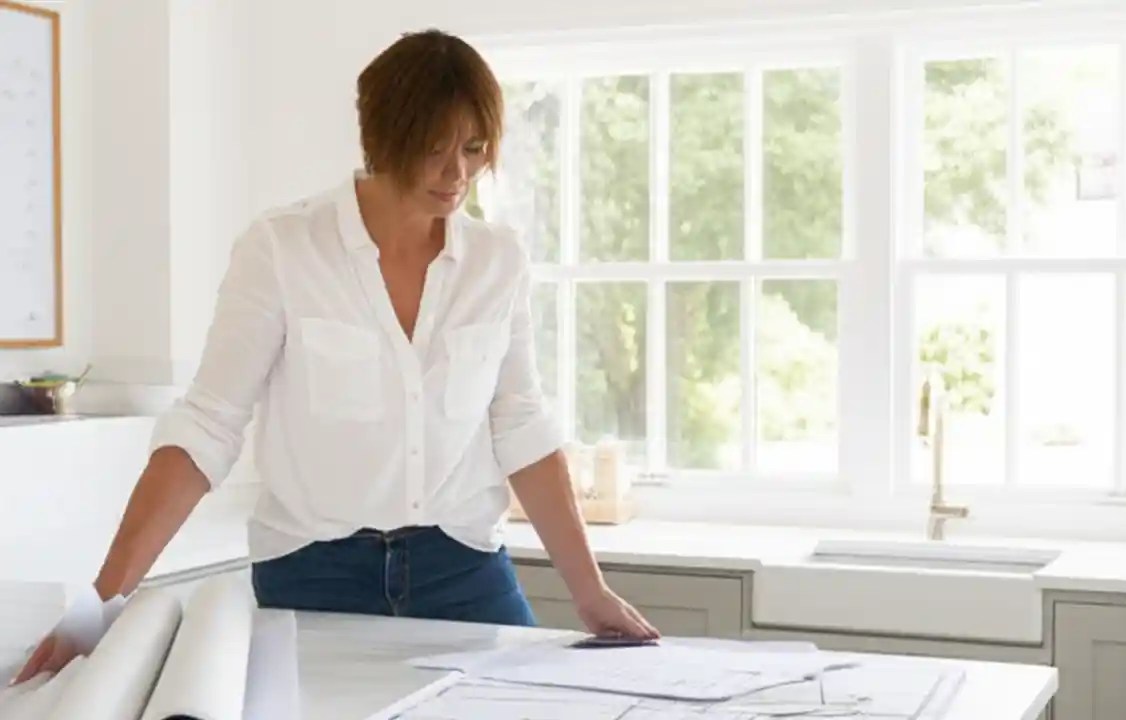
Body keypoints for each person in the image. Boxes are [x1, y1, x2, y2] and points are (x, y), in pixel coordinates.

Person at [14, 28, 658, 683]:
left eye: (472, 147)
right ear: (383, 140)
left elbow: (522, 425)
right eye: (436, 147)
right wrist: (99, 605)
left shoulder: (497, 261)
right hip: (314, 573)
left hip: (463, 569)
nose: (457, 173)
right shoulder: (283, 250)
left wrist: (589, 592)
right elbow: (206, 426)